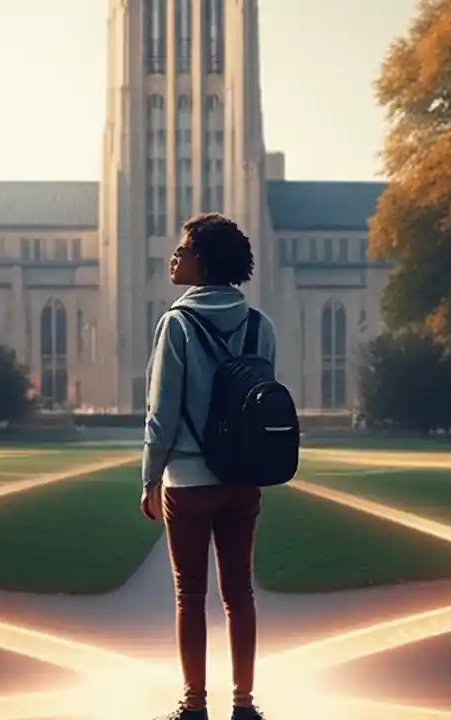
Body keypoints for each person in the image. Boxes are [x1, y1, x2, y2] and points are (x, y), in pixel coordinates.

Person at [141, 213, 276, 720]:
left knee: (189, 594)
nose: (175, 256)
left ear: (205, 261)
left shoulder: (176, 323)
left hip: (189, 481)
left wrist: (150, 477)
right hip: (243, 480)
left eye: (184, 248)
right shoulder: (261, 326)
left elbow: (162, 411)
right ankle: (244, 705)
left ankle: (194, 706)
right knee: (240, 593)